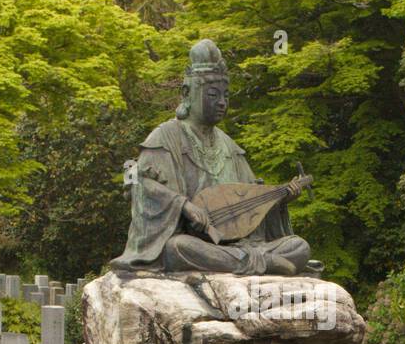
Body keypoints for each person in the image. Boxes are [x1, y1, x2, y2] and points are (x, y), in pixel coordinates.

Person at [111, 39, 314, 276]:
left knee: (299, 246)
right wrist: (183, 205)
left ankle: (251, 260)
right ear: (187, 93)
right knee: (176, 248)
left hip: (237, 243)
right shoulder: (165, 137)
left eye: (226, 96)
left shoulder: (230, 146)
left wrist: (279, 201)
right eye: (213, 94)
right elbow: (138, 184)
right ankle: (263, 264)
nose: (222, 103)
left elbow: (250, 202)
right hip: (193, 241)